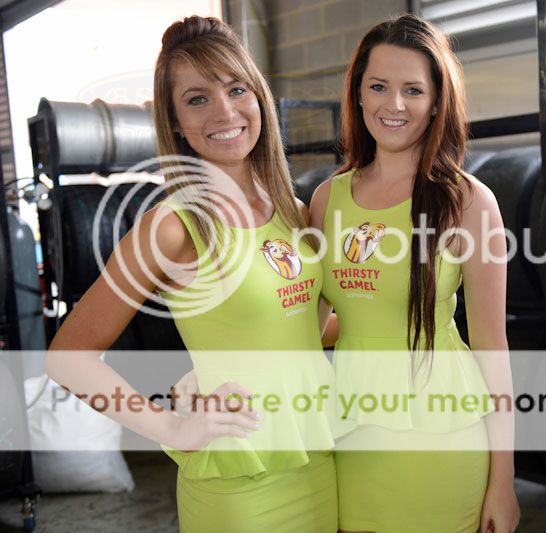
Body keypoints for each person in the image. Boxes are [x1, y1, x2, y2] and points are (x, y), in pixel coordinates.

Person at [46, 16, 339, 533]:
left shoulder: (292, 210)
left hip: (320, 460)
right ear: (176, 120)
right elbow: (69, 357)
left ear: (259, 98)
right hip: (238, 484)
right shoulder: (172, 225)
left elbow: (303, 330)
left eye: (236, 88)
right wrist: (173, 424)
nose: (224, 111)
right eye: (198, 98)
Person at [309, 13, 521, 533]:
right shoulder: (324, 199)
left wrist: (504, 481)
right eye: (379, 86)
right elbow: (311, 327)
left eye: (413, 90)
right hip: (351, 436)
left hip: (441, 438)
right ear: (358, 94)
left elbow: (493, 348)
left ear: (436, 102)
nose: (394, 105)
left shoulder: (468, 201)